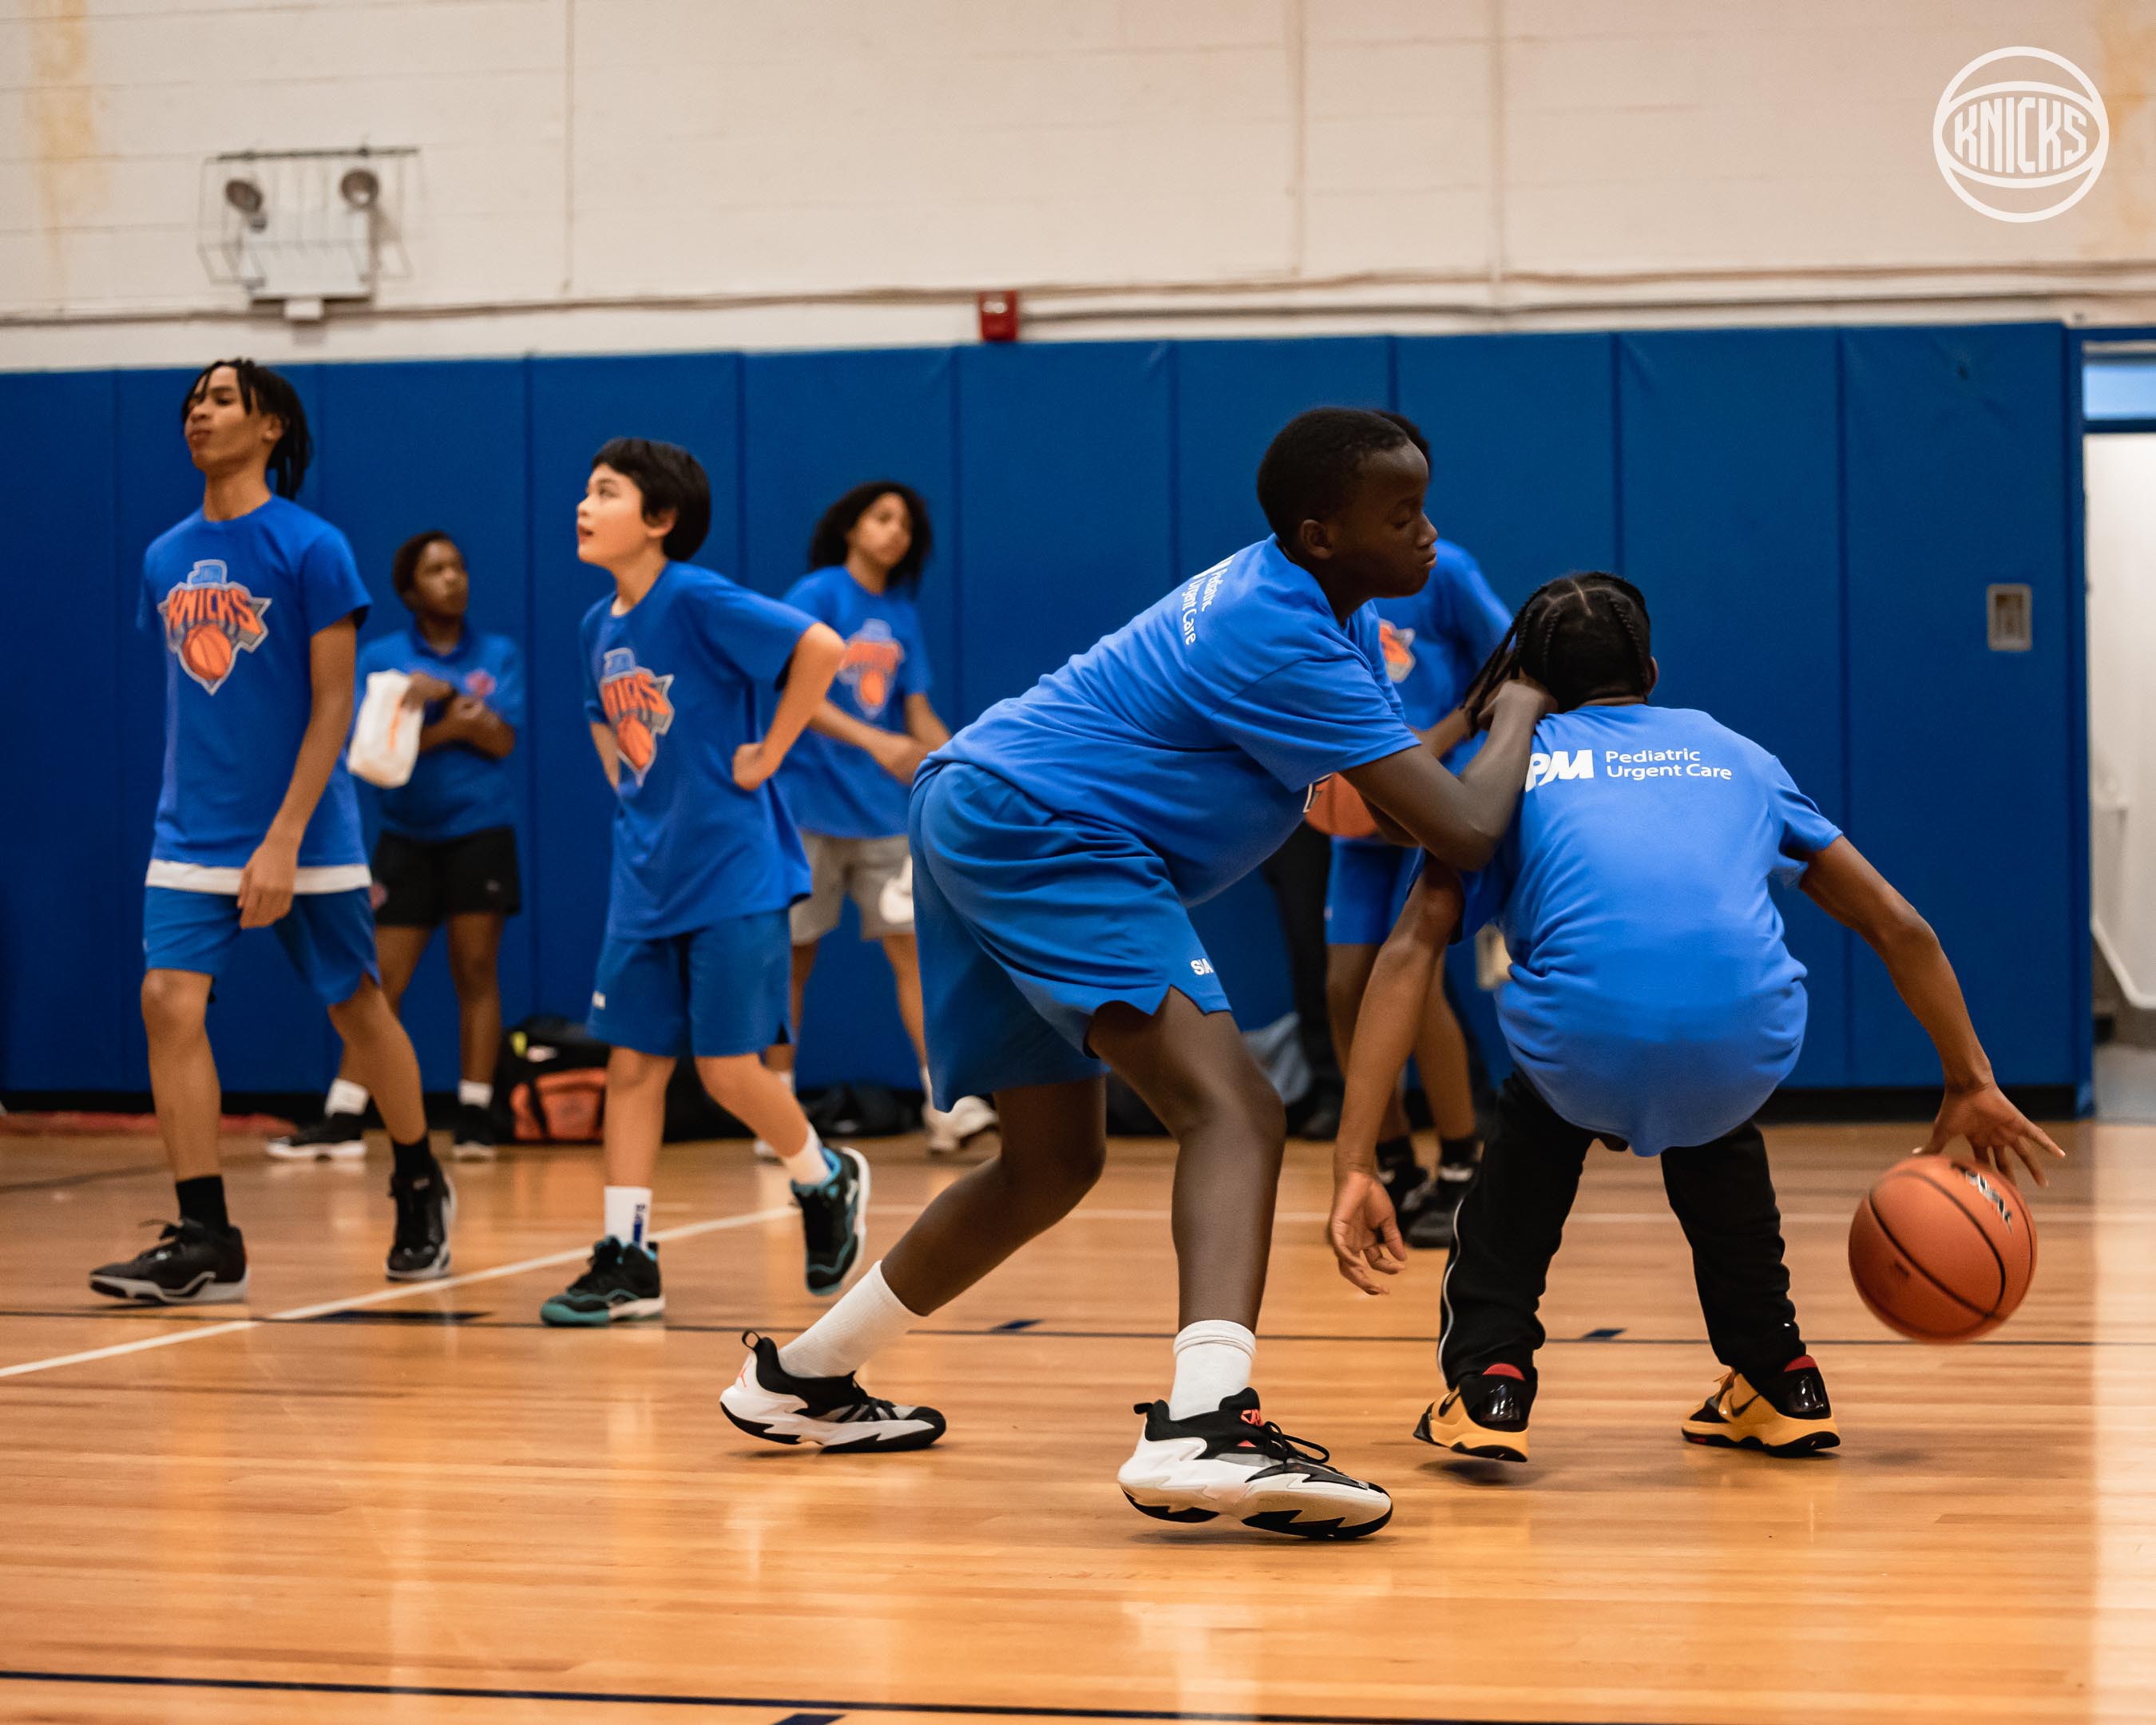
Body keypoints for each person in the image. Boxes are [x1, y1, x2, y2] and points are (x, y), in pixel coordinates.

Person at [720, 407, 1547, 1541]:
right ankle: (1205, 1424)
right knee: (1237, 1111)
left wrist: (1476, 745)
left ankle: (803, 1380)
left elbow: (1365, 809)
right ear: (1318, 534)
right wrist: (1526, 709)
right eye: (1401, 517)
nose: (1429, 537)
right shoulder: (1285, 626)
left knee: (1050, 1163)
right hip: (1047, 824)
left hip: (982, 800)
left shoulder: (1314, 619)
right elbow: (1459, 829)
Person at [1326, 573, 2065, 1463]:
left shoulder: (1503, 777)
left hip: (1580, 1048)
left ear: (1535, 685)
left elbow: (1408, 955)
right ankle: (1780, 1375)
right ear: (1651, 669)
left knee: (1524, 1162)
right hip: (1742, 1044)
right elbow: (1897, 925)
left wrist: (1358, 1157)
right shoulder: (1737, 753)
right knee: (1710, 1119)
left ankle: (1491, 1381)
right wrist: (1969, 1079)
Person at [91, 359, 454, 1305]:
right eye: (192, 404)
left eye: (220, 400)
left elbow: (333, 707)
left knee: (357, 1008)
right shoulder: (165, 556)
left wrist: (286, 838)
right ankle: (206, 1232)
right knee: (167, 1001)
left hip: (307, 832)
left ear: (272, 428)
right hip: (190, 830)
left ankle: (419, 1178)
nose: (198, 416)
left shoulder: (313, 547)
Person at [538, 438, 862, 1326]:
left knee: (726, 1071)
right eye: (585, 490)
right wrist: (629, 785)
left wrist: (773, 749)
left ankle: (823, 1177)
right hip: (643, 882)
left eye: (604, 493)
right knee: (632, 1068)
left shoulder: (696, 596)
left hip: (733, 874)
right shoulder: (594, 627)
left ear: (659, 520)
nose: (583, 505)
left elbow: (822, 647)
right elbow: (603, 721)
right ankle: (628, 1255)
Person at [1318, 414, 1511, 1251]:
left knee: (1417, 982)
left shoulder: (1446, 569)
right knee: (1341, 988)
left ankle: (1465, 1161)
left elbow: (1512, 659)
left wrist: (1444, 738)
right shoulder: (1324, 591)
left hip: (1424, 794)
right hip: (1353, 811)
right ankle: (1391, 1159)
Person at [271, 530, 523, 1164]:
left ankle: (473, 1113)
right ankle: (345, 1115)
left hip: (480, 832)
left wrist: (439, 709)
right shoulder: (378, 657)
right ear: (410, 590)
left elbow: (502, 742)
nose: (453, 579)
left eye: (459, 566)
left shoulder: (498, 653)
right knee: (379, 979)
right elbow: (367, 753)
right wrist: (442, 725)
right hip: (406, 837)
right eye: (437, 570)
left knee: (476, 972)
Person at [762, 481, 996, 1156]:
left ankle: (943, 1103)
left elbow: (915, 713)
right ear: (850, 526)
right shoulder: (817, 595)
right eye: (882, 517)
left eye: (906, 525)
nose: (894, 532)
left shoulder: (900, 614)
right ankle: (778, 1115)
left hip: (884, 815)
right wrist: (874, 741)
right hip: (806, 806)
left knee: (915, 954)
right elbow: (791, 690)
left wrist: (967, 756)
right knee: (793, 960)